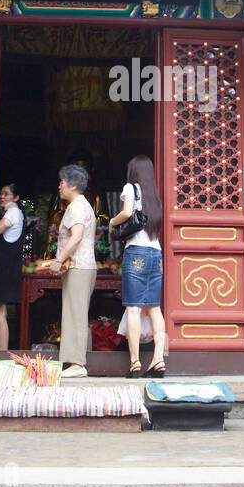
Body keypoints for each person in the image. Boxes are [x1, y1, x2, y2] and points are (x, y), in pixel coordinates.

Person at [36, 164, 97, 377]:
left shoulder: (78, 207)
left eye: (62, 182)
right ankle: (79, 360)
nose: (59, 186)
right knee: (77, 312)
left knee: (75, 314)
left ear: (72, 184)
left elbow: (77, 236)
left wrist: (58, 259)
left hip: (78, 266)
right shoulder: (79, 205)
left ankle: (77, 364)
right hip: (81, 266)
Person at [110, 155, 166, 377]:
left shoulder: (130, 187)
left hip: (136, 253)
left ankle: (134, 363)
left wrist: (112, 222)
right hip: (156, 253)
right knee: (154, 307)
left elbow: (126, 213)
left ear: (133, 171)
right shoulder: (153, 194)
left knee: (133, 307)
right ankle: (158, 359)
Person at [0, 183, 24, 350]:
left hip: (3, 269)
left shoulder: (14, 212)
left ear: (16, 198)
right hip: (3, 268)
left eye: (6, 194)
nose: (2, 197)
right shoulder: (13, 213)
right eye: (0, 194)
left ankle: (2, 353)